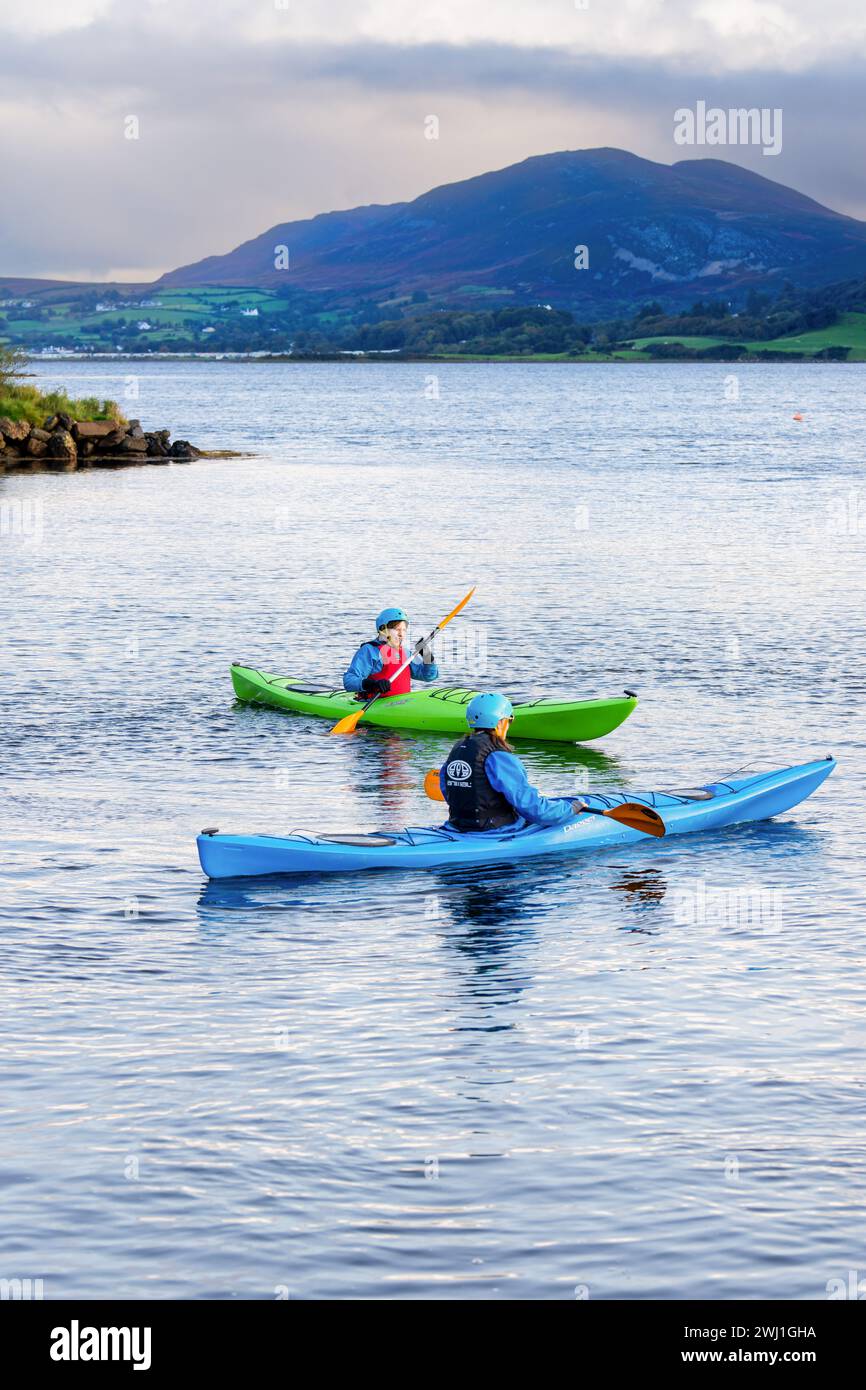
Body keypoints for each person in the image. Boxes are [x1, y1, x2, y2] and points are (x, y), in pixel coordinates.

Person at [441, 692, 581, 831]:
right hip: (495, 830)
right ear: (500, 721)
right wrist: (570, 809)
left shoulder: (458, 748)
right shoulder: (498, 755)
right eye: (510, 720)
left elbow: (448, 792)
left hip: (457, 826)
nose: (508, 725)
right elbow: (532, 808)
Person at [343, 606, 439, 699]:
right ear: (383, 629)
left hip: (402, 703)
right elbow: (349, 681)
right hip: (376, 704)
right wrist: (373, 684)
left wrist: (427, 656)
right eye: (397, 629)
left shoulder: (405, 652)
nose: (401, 634)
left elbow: (428, 676)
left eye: (404, 630)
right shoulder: (370, 651)